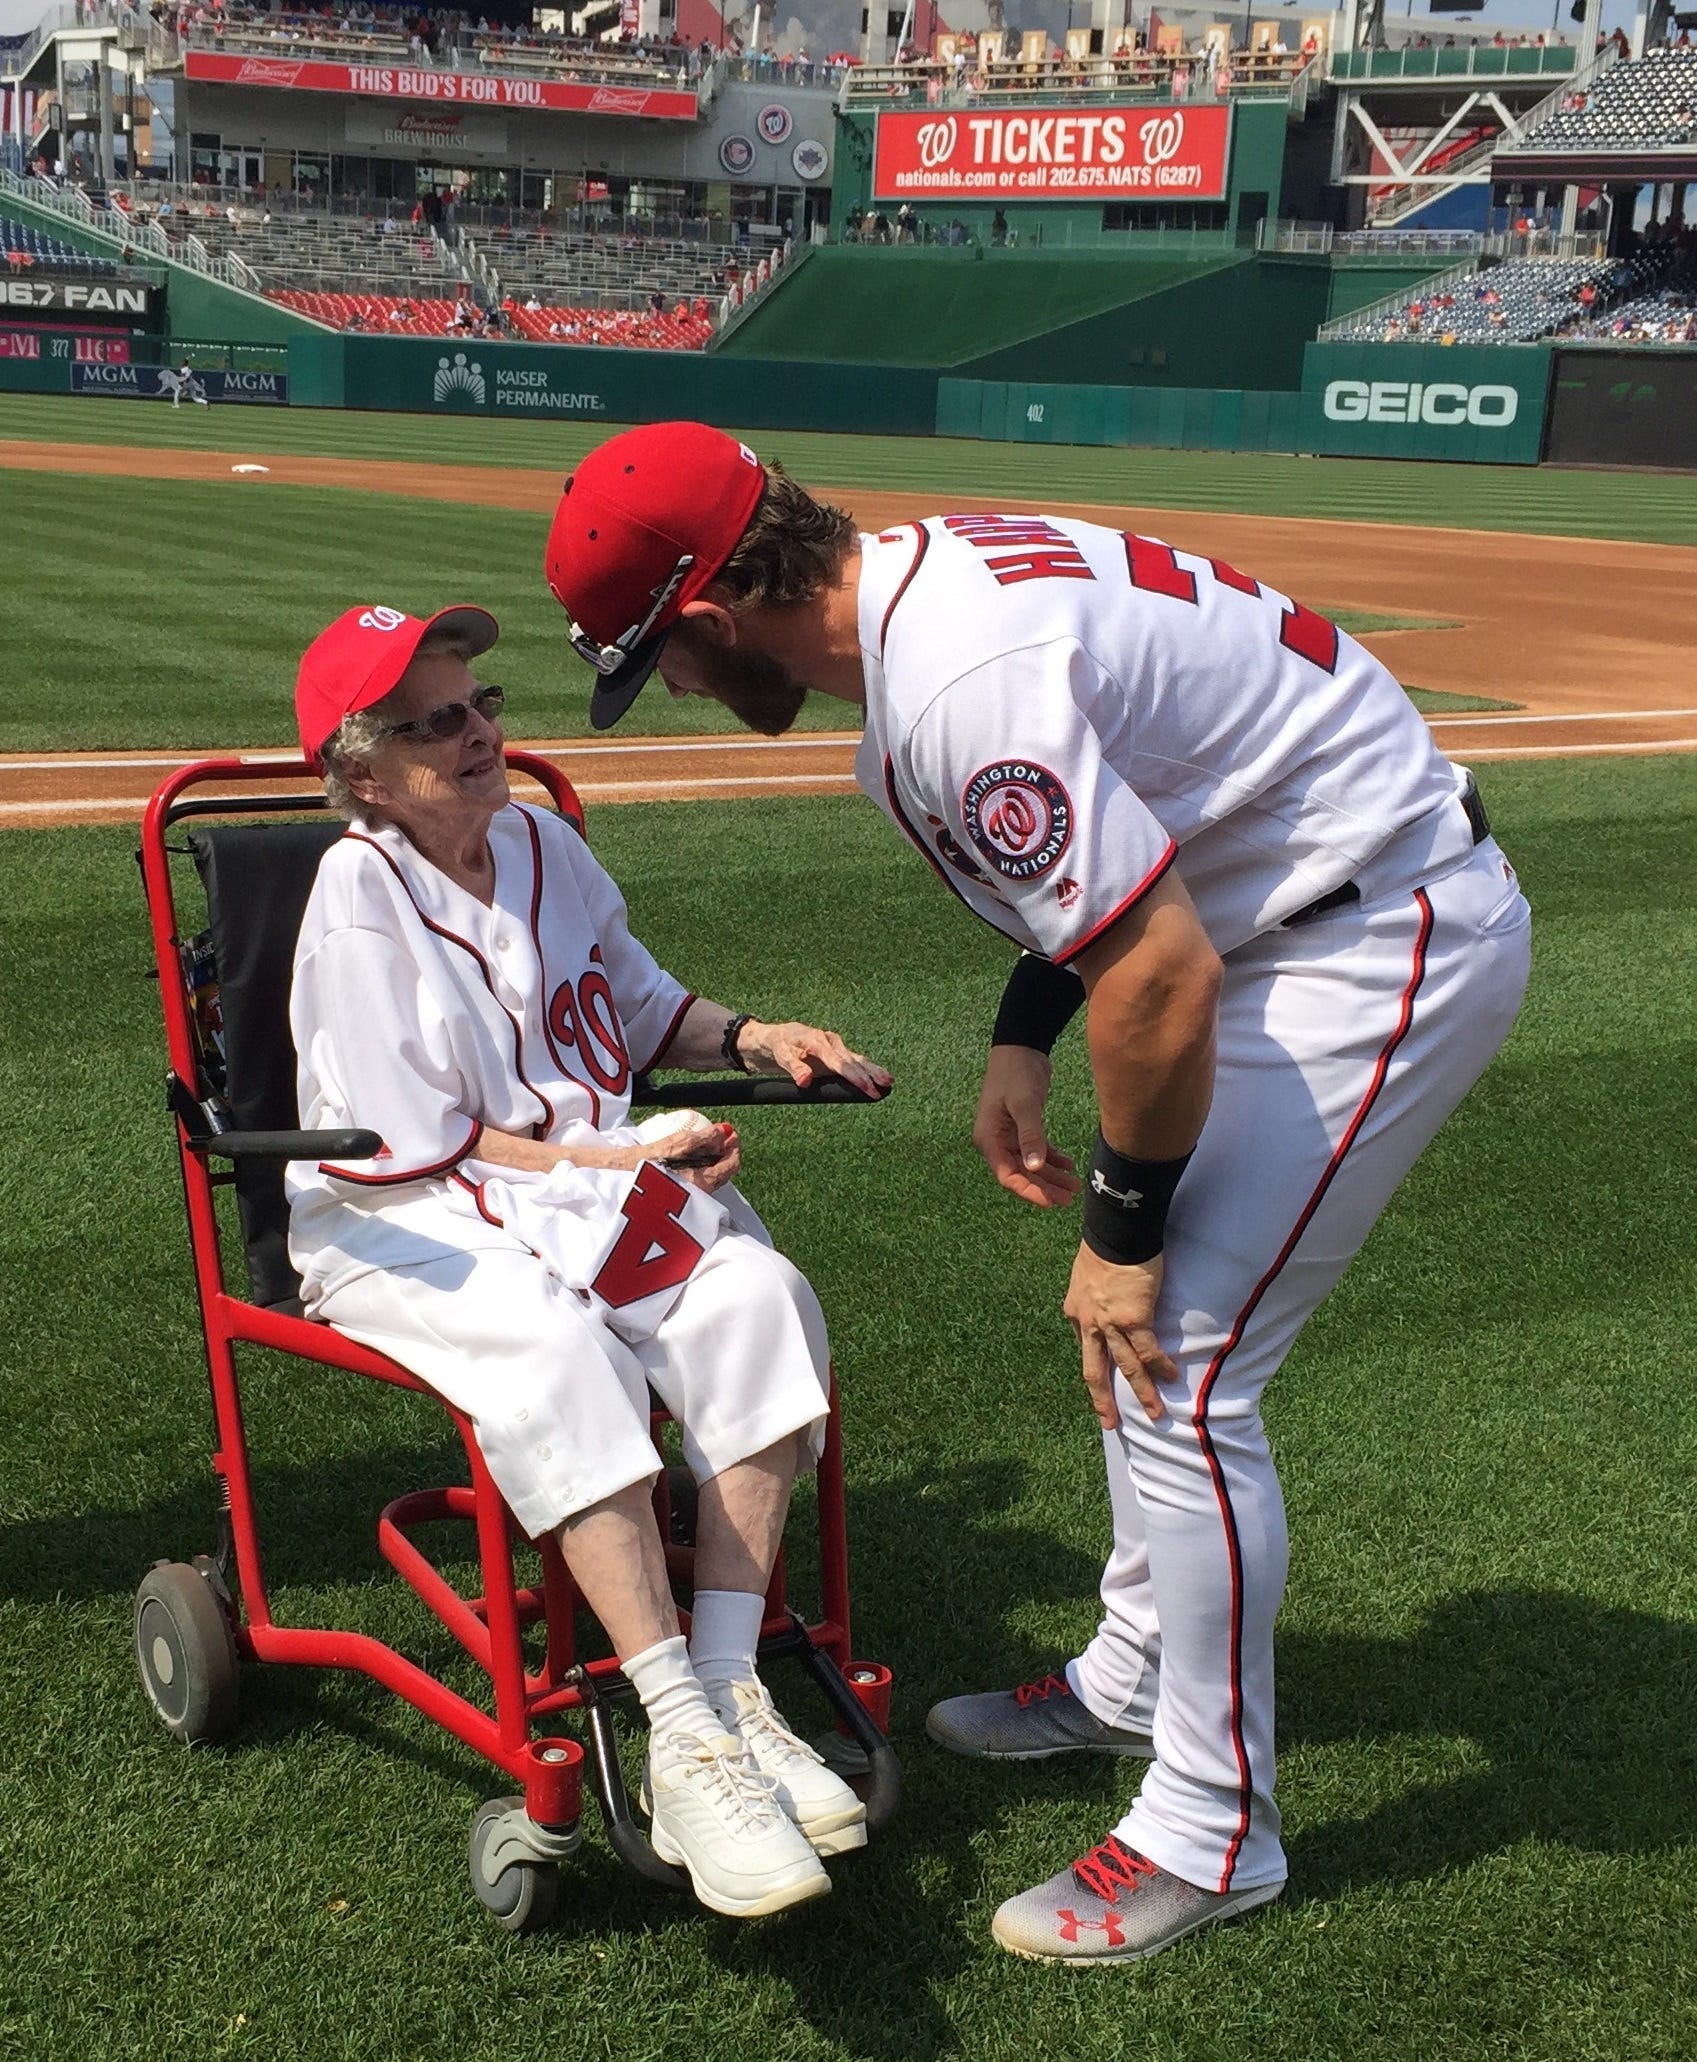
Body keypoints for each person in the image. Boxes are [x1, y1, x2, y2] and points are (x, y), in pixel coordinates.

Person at [542, 424, 1532, 1968]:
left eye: (653, 662)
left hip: (1370, 930)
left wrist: (1121, 1235)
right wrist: (1023, 1032)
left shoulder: (944, 688)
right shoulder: (933, 579)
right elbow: (1143, 838)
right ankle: (1133, 1673)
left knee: (1176, 1364)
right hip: (1293, 897)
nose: (664, 691)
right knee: (1142, 1362)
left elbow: (1158, 970)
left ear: (711, 614)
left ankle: (1211, 1833)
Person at [287, 601, 893, 1919]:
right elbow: (420, 1147)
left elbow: (635, 1001)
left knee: (757, 1297)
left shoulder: (544, 841)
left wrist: (747, 1038)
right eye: (428, 722)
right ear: (362, 773)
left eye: (480, 705)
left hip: (573, 1192)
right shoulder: (355, 896)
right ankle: (674, 1727)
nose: (472, 734)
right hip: (408, 1222)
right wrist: (622, 1163)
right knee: (557, 1353)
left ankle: (730, 1690)